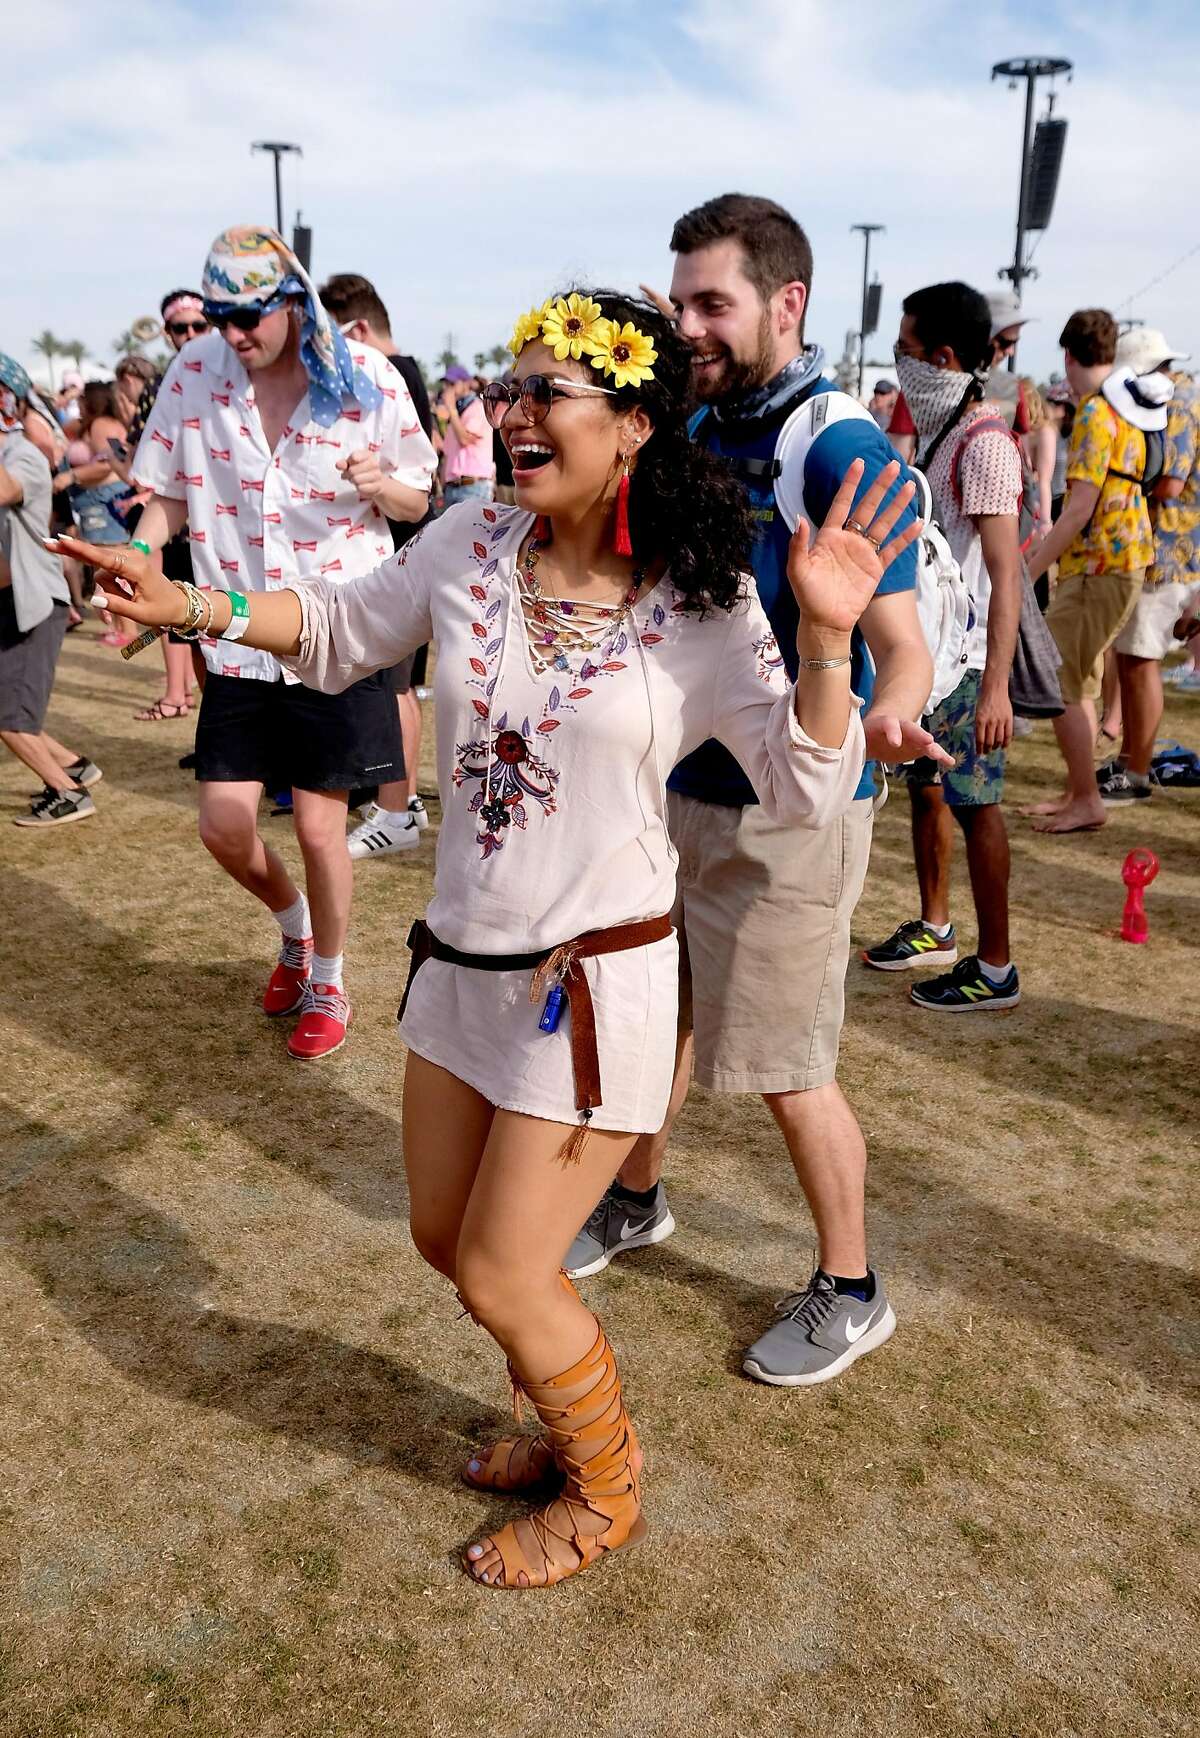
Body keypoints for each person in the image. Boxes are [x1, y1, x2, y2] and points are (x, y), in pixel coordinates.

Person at [54, 284, 925, 1591]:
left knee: (510, 1268)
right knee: (443, 1241)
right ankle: (551, 1411)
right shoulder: (468, 539)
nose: (511, 413)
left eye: (545, 393)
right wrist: (187, 607)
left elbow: (802, 788)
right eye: (506, 390)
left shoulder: (700, 601)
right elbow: (343, 630)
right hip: (459, 967)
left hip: (595, 990)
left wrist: (824, 641)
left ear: (632, 423)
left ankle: (607, 1484)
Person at [567, 194, 946, 1389]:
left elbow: (903, 632)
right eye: (677, 302)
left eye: (712, 303)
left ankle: (852, 1285)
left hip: (791, 805)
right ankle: (635, 1200)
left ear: (789, 304)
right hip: (677, 786)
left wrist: (895, 702)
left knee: (788, 1065)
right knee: (655, 1016)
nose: (687, 325)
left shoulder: (830, 444)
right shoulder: (695, 413)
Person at [126, 225, 436, 1059]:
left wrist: (385, 487)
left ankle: (329, 977)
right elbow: (164, 498)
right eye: (220, 315)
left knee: (317, 827)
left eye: (248, 315)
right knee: (223, 825)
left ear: (293, 302)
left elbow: (418, 497)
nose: (232, 333)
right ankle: (295, 932)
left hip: (338, 630)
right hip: (234, 636)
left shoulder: (365, 379)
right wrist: (140, 550)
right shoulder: (195, 373)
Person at [863, 283, 1022, 1010]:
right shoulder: (947, 431)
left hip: (971, 663)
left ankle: (996, 968)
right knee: (928, 793)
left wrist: (996, 684)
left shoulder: (985, 442)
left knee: (976, 803)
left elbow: (1006, 569)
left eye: (907, 350)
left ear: (944, 358)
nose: (899, 363)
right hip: (938, 655)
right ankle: (936, 926)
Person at [318, 271, 435, 858]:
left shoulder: (395, 375)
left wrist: (379, 484)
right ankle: (398, 804)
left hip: (401, 553)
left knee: (395, 688)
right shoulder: (403, 371)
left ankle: (399, 810)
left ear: (358, 329)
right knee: (398, 686)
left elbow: (418, 485)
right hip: (401, 553)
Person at [1024, 310, 1155, 833]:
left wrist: (1030, 565)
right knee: (1079, 677)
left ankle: (1086, 798)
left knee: (1059, 677)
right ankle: (1079, 789)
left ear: (1068, 356)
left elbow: (1078, 508)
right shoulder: (1126, 408)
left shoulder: (1097, 414)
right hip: (1117, 562)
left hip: (1099, 564)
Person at [1097, 327, 1198, 800]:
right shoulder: (1182, 398)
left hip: (1170, 550)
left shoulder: (1177, 406)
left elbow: (1171, 484)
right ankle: (1127, 763)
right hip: (1171, 549)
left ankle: (1135, 773)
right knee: (1134, 658)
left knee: (1141, 661)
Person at [0, 352, 101, 826]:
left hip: (35, 604)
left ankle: (68, 793)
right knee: (14, 705)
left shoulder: (22, 454)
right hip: (13, 603)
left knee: (9, 717)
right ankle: (74, 766)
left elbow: (4, 491)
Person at [111, 289, 212, 722]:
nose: (189, 334)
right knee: (181, 620)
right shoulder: (165, 384)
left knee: (216, 632)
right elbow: (147, 466)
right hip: (178, 528)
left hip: (229, 531)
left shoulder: (231, 374)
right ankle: (194, 707)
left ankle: (179, 698)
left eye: (198, 325)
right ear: (167, 333)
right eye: (180, 327)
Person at [439, 367, 495, 509]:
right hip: (452, 488)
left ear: (466, 383)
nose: (448, 389)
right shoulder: (457, 414)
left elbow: (465, 439)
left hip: (473, 487)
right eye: (446, 385)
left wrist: (451, 410)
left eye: (452, 384)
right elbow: (448, 453)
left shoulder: (478, 408)